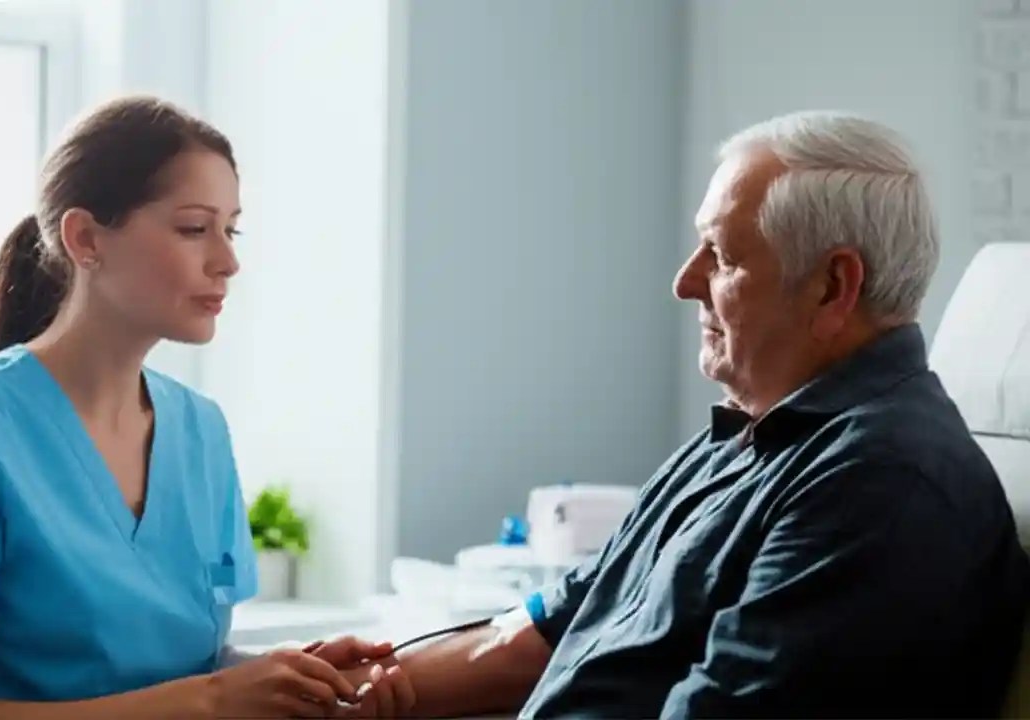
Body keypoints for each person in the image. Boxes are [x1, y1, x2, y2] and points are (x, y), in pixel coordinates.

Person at [345, 111, 1030, 718]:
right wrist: (342, 693)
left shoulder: (880, 486)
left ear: (832, 286)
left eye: (722, 257)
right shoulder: (742, 437)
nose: (684, 281)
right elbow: (551, 630)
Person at [0, 95, 414, 719]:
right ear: (85, 238)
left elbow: (181, 671)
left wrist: (290, 673)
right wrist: (215, 699)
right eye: (194, 229)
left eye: (231, 230)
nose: (228, 262)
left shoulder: (201, 430)